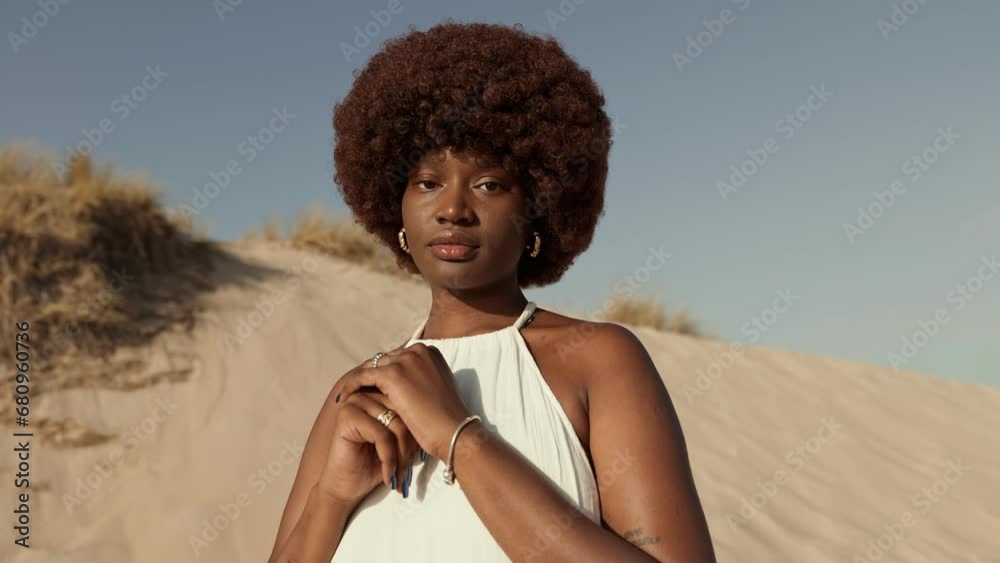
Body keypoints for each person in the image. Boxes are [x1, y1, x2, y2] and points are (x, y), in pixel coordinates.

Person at [268, 20, 716, 563]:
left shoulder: (598, 361)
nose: (452, 210)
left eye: (489, 184)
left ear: (537, 213)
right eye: (428, 182)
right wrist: (333, 496)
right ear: (396, 212)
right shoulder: (362, 390)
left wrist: (459, 438)